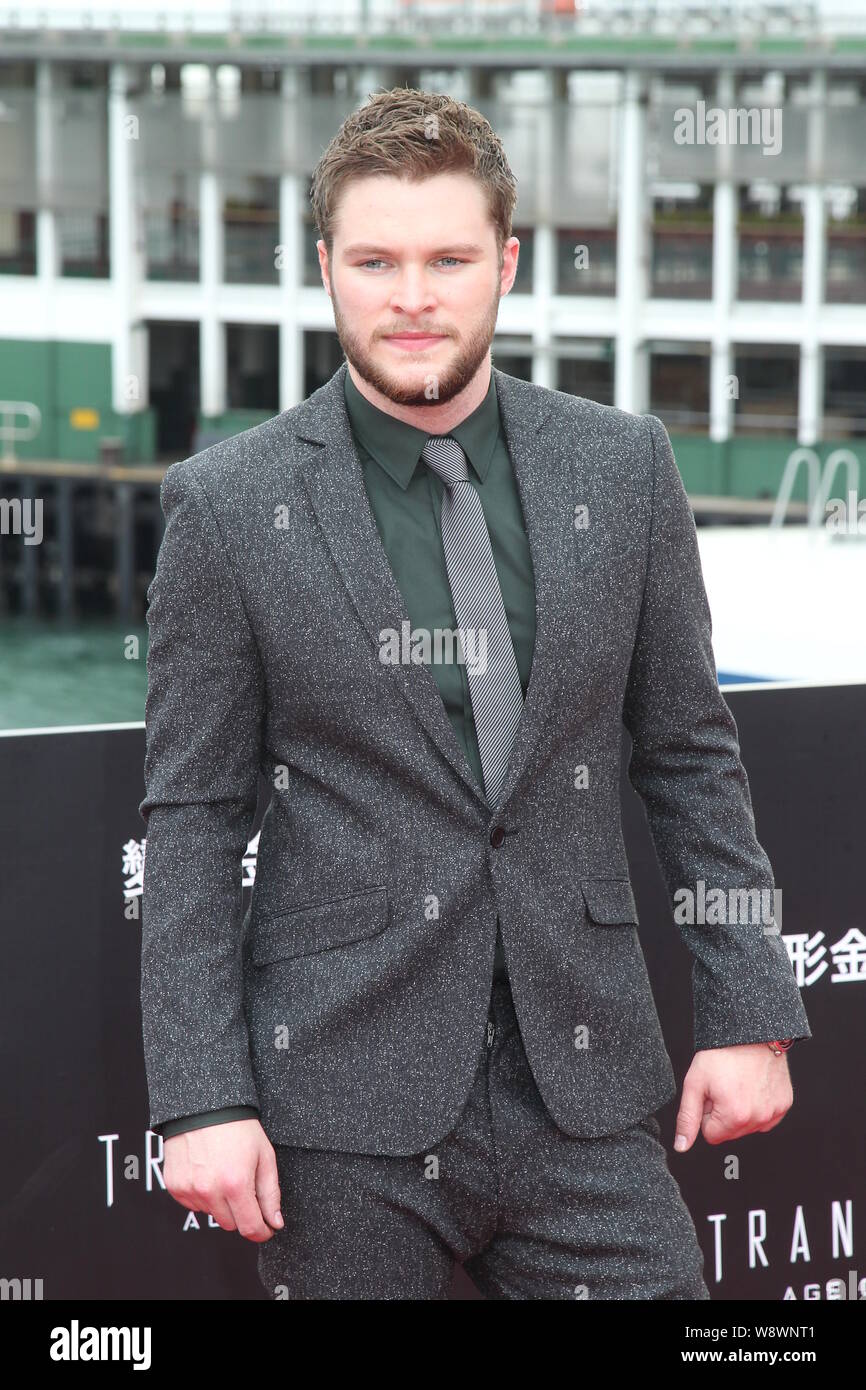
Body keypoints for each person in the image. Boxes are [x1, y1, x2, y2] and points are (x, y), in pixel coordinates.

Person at [139, 87, 811, 1300]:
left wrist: (749, 1006)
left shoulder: (622, 465)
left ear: (502, 263)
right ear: (327, 269)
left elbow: (687, 750)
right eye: (375, 259)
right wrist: (201, 1095)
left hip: (588, 1085)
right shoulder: (229, 508)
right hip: (340, 1111)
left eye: (447, 257)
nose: (411, 296)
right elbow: (191, 818)